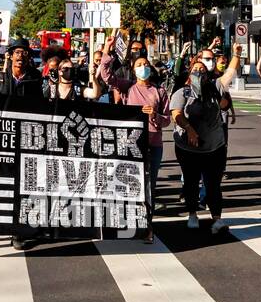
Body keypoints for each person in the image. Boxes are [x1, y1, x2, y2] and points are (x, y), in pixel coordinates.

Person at [98, 43, 172, 243]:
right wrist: (107, 51)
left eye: (146, 64)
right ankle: (128, 222)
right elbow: (106, 75)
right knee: (130, 184)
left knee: (149, 186)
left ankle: (148, 226)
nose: (143, 67)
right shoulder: (127, 87)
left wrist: (155, 115)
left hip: (154, 144)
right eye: (139, 64)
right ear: (133, 69)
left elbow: (167, 120)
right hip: (131, 144)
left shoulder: (160, 91)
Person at [169, 43, 241, 234]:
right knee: (191, 182)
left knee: (213, 185)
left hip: (214, 147)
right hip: (188, 148)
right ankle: (192, 214)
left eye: (202, 69)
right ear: (189, 73)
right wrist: (189, 129)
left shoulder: (215, 87)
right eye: (195, 69)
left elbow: (230, 74)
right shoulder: (182, 92)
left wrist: (237, 54)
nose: (199, 72)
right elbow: (176, 114)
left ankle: (216, 218)